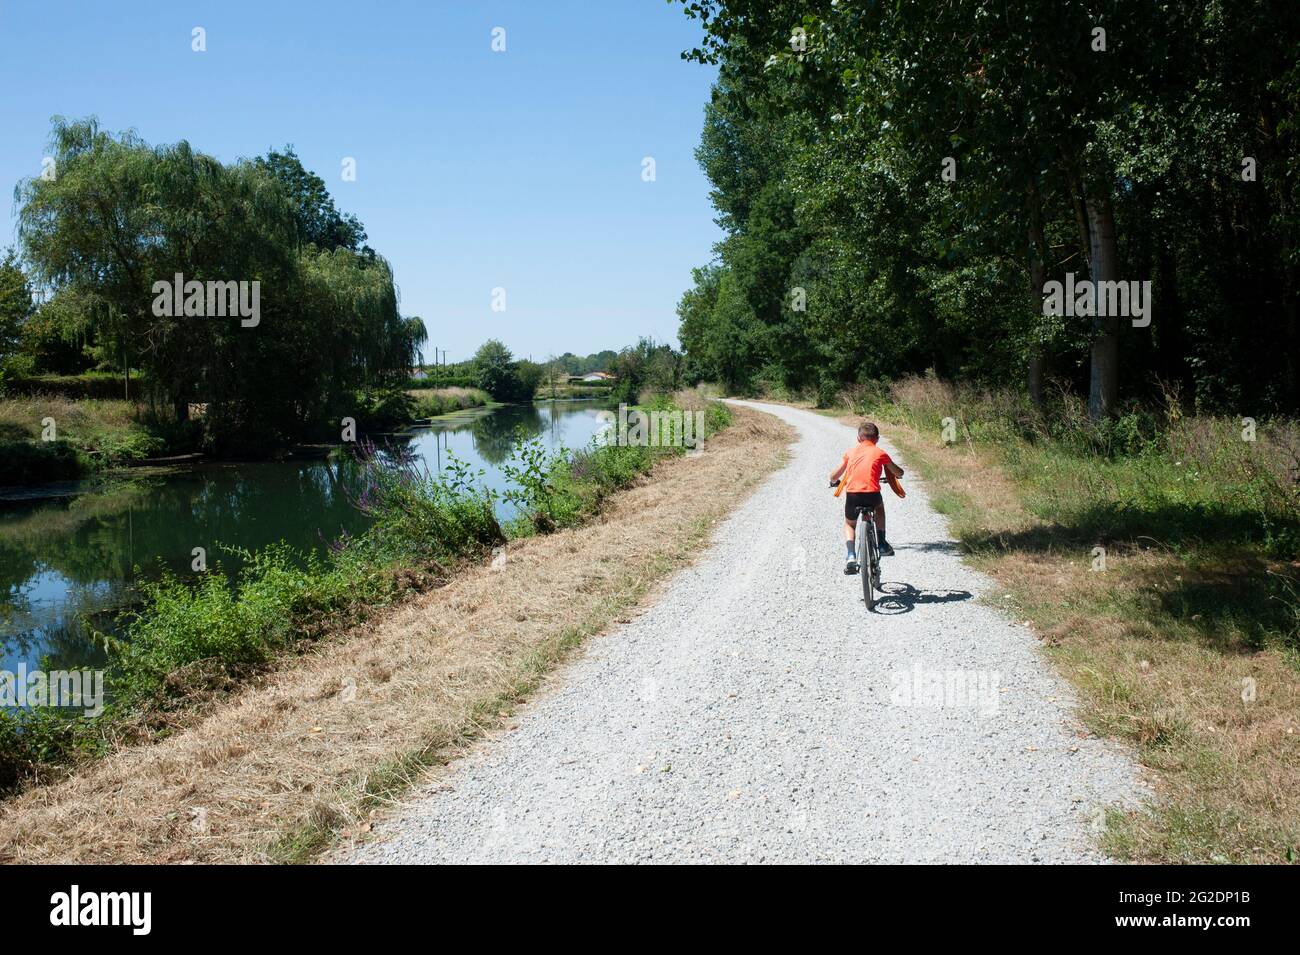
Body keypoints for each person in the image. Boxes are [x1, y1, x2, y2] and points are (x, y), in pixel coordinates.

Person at [829, 421, 904, 573]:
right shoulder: (880, 453)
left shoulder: (850, 453)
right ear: (877, 439)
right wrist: (898, 473)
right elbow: (898, 473)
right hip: (872, 495)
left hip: (853, 495)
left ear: (858, 438)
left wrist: (834, 482)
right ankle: (882, 543)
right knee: (879, 509)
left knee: (850, 524)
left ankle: (851, 555)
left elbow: (833, 476)